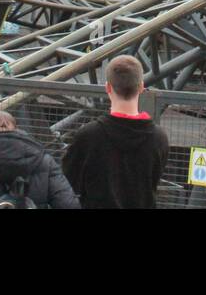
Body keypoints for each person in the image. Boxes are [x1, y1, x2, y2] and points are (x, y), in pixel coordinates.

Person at [62, 55, 168, 208]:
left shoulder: (88, 135)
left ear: (108, 87)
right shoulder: (159, 138)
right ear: (141, 87)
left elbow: (68, 181)